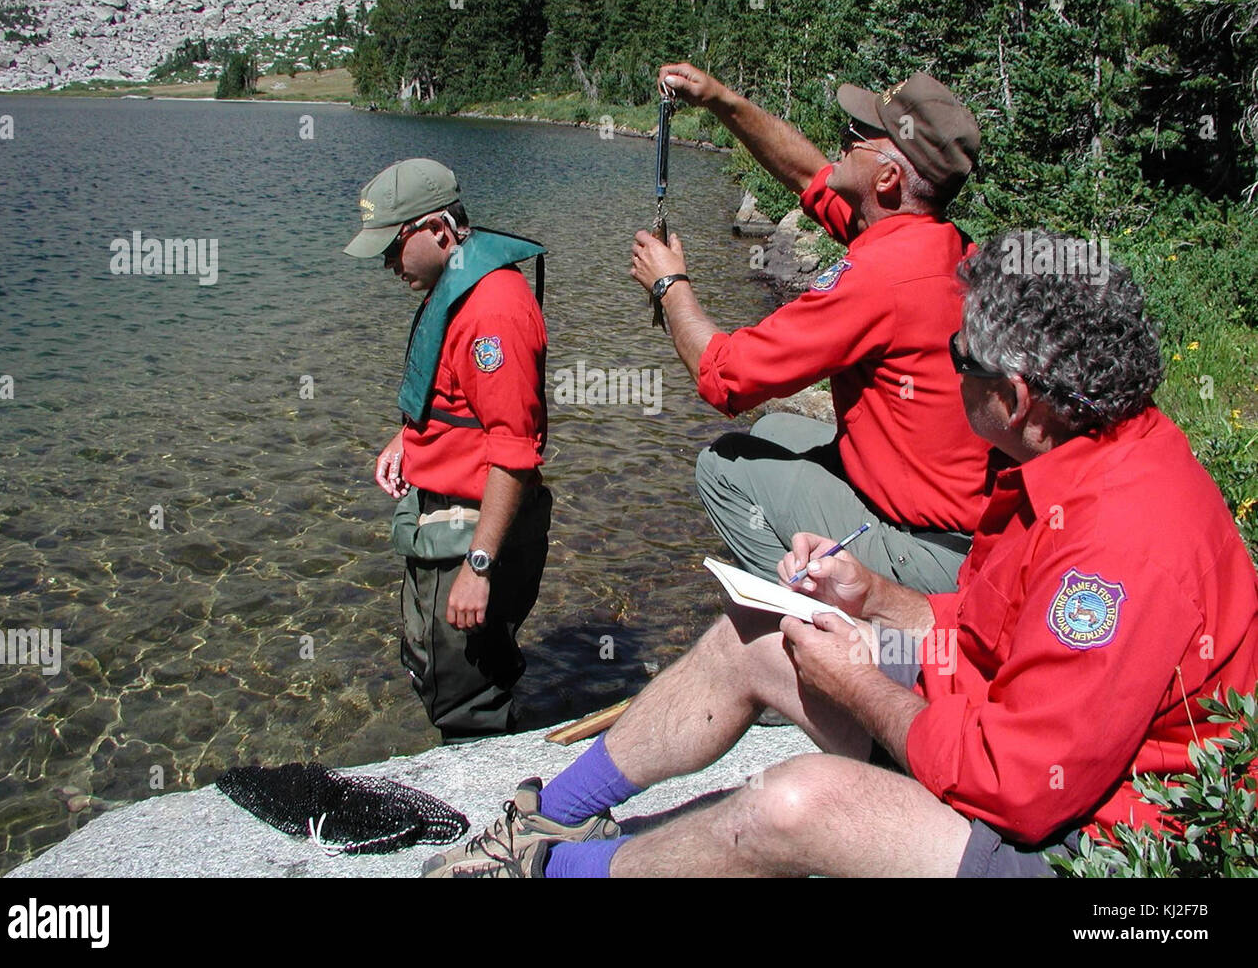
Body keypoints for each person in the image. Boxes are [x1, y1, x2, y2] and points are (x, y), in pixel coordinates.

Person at [423, 230, 1258, 877]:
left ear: (1016, 396)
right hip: (1006, 738)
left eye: (959, 356)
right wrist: (872, 597)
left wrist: (855, 681)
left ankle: (553, 869)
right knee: (758, 624)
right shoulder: (1061, 457)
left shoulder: (1120, 544)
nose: (946, 367)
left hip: (1100, 858)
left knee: (796, 803)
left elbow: (1020, 790)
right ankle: (545, 813)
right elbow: (984, 630)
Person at [632, 64, 992, 591]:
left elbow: (725, 378)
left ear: (888, 178)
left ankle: (810, 619)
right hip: (954, 521)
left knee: (722, 465)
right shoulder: (935, 241)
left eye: (856, 138)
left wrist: (670, 286)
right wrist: (718, 99)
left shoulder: (880, 278)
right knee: (771, 430)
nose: (841, 143)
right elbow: (809, 177)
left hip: (928, 552)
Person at [344, 158, 552, 743]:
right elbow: (458, 400)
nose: (387, 264)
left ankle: (487, 806)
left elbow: (514, 450)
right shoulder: (457, 283)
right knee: (461, 664)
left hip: (471, 531)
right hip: (454, 517)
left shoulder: (493, 313)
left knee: (460, 695)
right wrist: (408, 438)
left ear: (438, 230)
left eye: (392, 247)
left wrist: (478, 568)